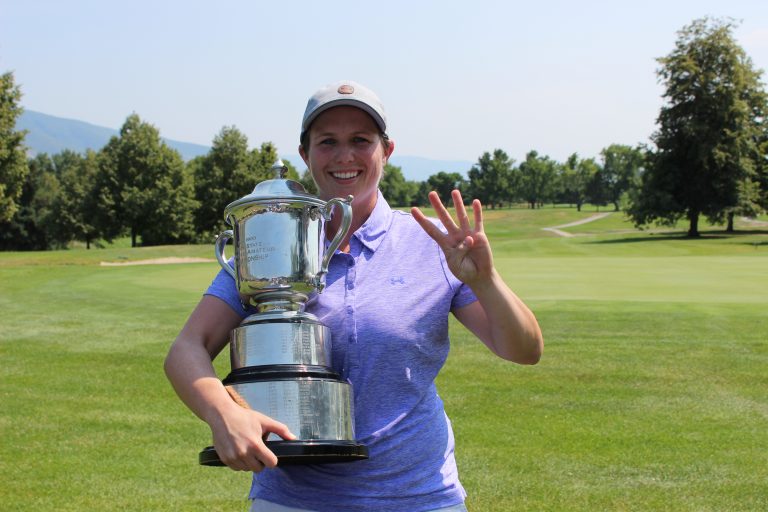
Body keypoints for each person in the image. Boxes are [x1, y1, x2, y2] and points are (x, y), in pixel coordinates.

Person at [165, 80, 543, 512]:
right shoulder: (269, 246)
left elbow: (524, 350)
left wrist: (486, 281)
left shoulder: (432, 244)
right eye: (328, 142)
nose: (344, 156)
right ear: (305, 154)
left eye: (361, 140)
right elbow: (186, 350)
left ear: (387, 150)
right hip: (293, 500)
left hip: (419, 496)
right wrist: (223, 413)